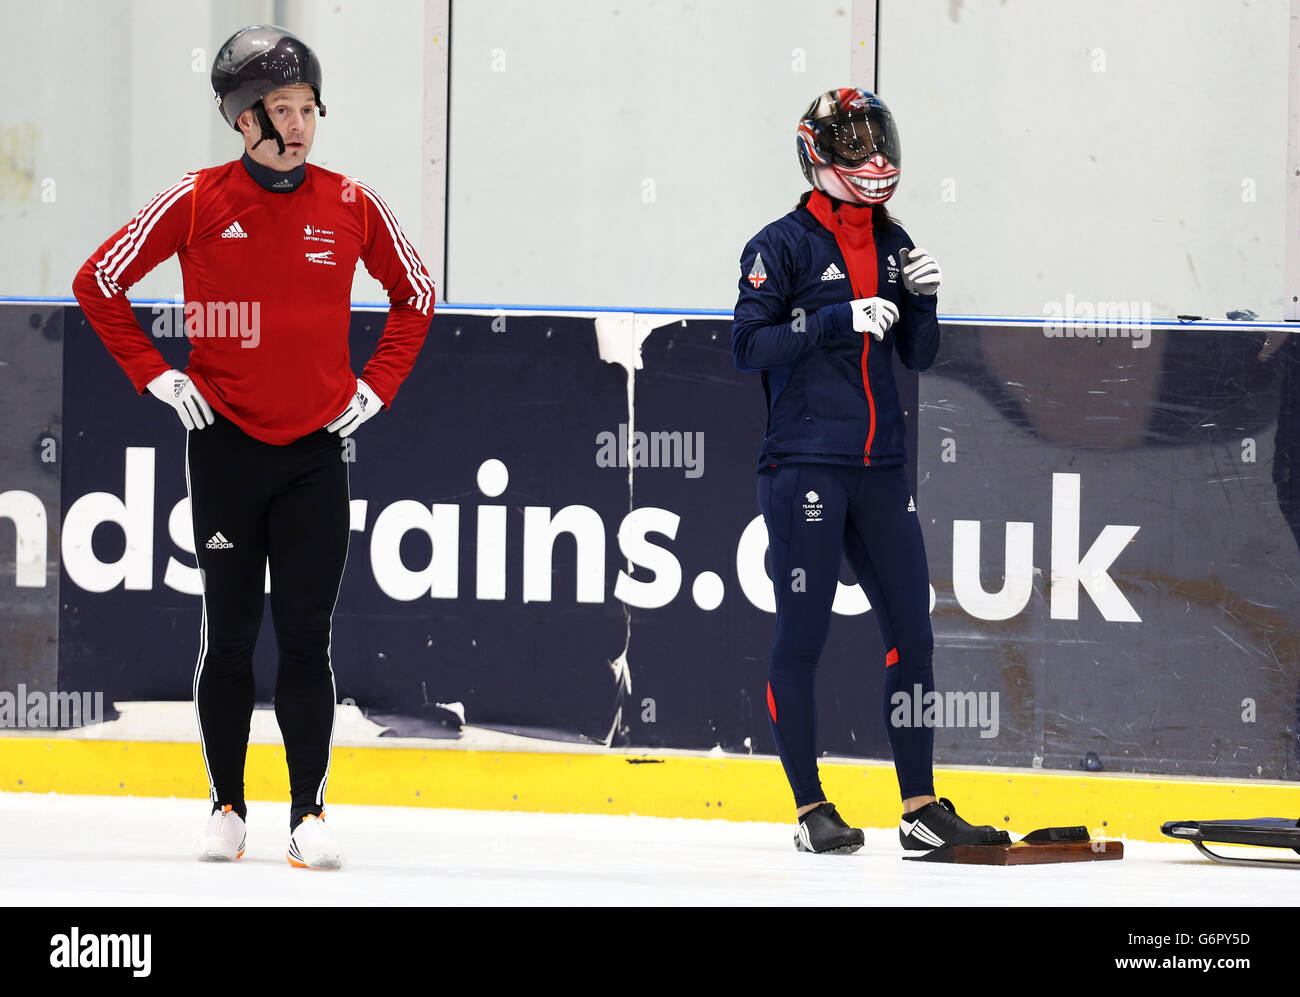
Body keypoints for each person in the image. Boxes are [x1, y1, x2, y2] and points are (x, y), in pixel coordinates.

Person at [72, 25, 434, 869]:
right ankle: (227, 803)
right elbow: (99, 280)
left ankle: (308, 813)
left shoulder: (351, 205)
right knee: (228, 635)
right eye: (282, 109)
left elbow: (415, 295)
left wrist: (376, 386)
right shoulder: (198, 200)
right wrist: (151, 374)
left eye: (309, 107)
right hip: (225, 448)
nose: (301, 124)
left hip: (315, 454)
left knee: (307, 636)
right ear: (244, 120)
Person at [733, 87, 997, 854]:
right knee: (803, 636)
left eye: (880, 137)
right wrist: (829, 320)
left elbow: (918, 356)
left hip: (882, 468)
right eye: (855, 141)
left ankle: (918, 807)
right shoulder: (777, 245)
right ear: (817, 152)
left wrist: (924, 304)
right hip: (806, 465)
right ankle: (811, 807)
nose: (875, 156)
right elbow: (748, 344)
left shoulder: (894, 239)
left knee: (913, 638)